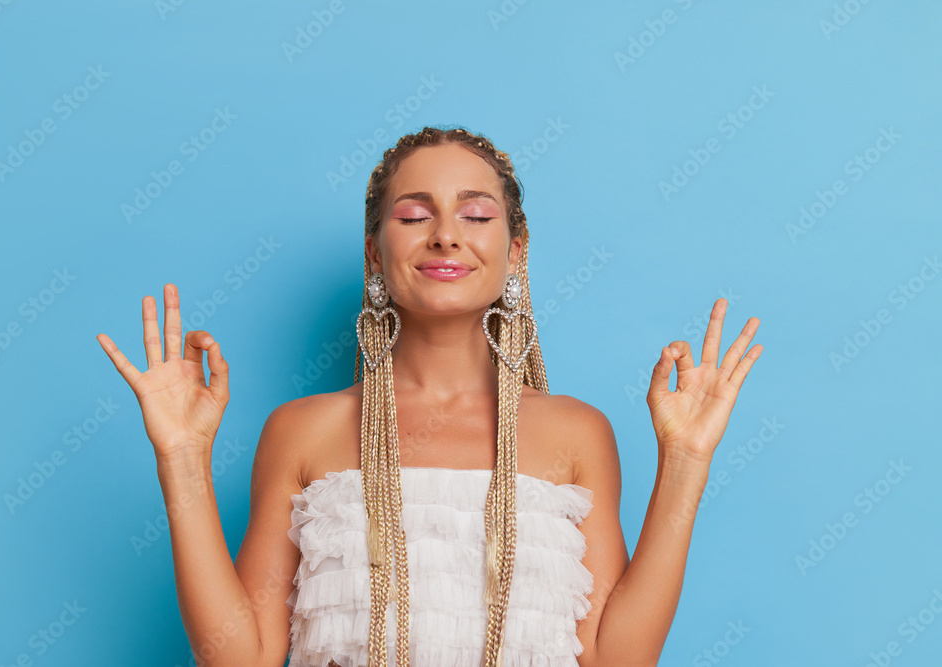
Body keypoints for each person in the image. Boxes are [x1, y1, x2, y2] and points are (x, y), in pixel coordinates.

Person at [96, 125, 762, 667]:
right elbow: (240, 659)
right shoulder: (302, 431)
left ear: (516, 251)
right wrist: (182, 457)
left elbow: (617, 660)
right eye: (414, 215)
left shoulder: (575, 434)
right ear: (375, 254)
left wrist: (686, 463)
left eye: (476, 213)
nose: (446, 234)